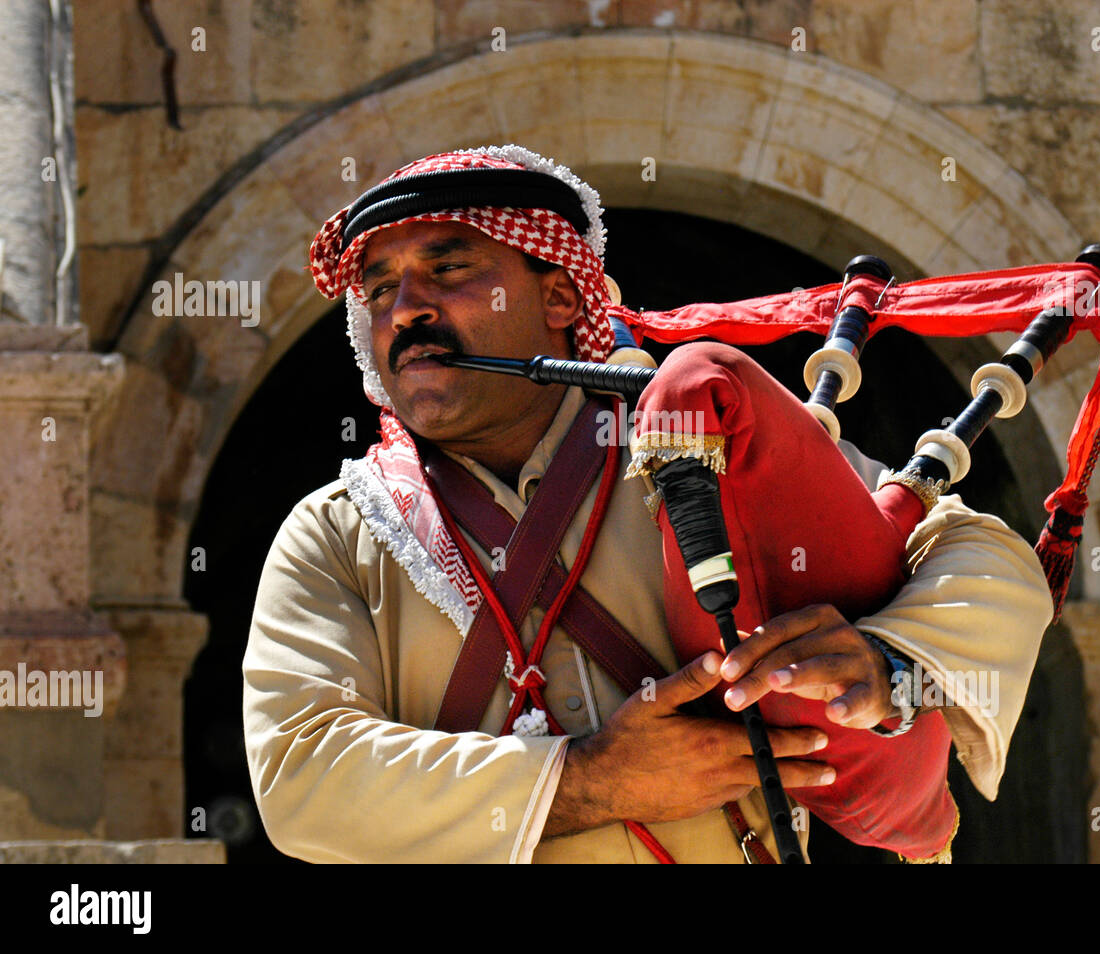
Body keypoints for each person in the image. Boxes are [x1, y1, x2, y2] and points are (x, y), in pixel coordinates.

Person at [242, 145, 1054, 863]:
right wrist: (592, 780)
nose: (406, 309)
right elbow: (303, 779)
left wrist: (890, 663)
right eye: (379, 288)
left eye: (448, 269)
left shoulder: (699, 443)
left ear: (562, 297)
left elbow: (978, 555)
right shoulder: (335, 533)